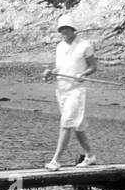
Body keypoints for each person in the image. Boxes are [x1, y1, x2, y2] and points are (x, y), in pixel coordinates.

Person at [41, 13, 98, 170]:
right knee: (77, 126)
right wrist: (50, 72)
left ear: (74, 30)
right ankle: (90, 156)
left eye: (67, 28)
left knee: (66, 123)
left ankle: (56, 160)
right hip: (61, 91)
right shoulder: (60, 46)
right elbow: (60, 67)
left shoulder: (85, 45)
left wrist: (83, 74)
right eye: (61, 29)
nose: (64, 32)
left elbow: (93, 67)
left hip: (76, 91)